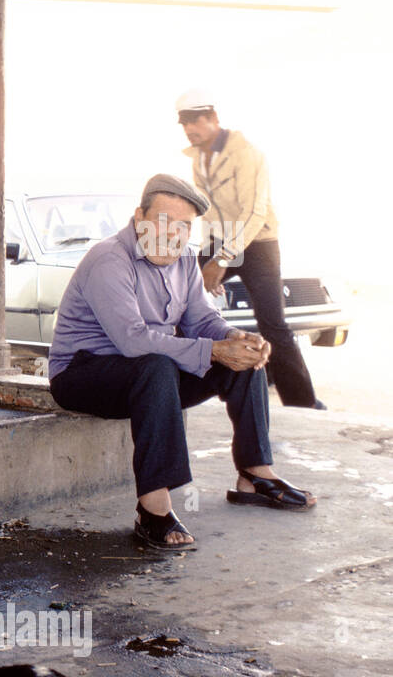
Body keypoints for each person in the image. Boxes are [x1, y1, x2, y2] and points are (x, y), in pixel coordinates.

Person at [48, 174, 316, 551]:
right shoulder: (109, 259)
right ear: (140, 217)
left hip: (149, 374)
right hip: (85, 373)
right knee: (157, 363)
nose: (173, 233)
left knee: (239, 359)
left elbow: (200, 321)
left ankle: (255, 475)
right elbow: (132, 341)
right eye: (163, 221)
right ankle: (153, 508)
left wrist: (234, 339)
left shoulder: (185, 258)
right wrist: (212, 350)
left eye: (184, 225)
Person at [175, 88, 323, 409]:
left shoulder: (248, 154)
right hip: (221, 241)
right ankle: (172, 383)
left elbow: (254, 212)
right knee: (177, 293)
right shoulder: (198, 157)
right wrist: (209, 255)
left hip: (258, 242)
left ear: (213, 119)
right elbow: (208, 212)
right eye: (183, 123)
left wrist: (222, 261)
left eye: (195, 121)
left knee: (272, 324)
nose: (189, 129)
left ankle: (304, 404)